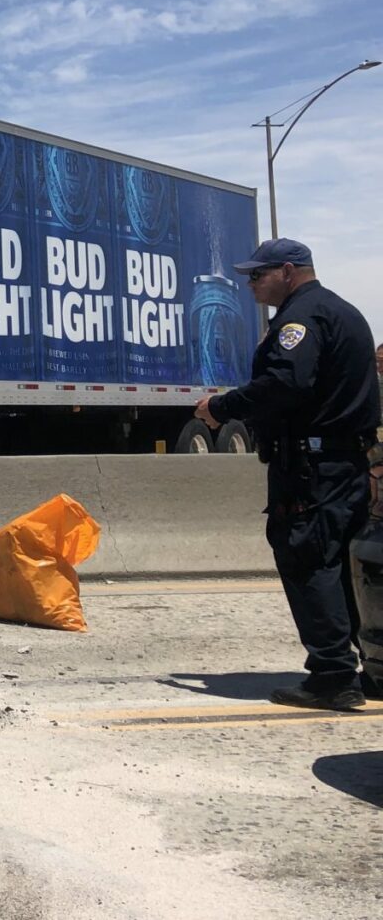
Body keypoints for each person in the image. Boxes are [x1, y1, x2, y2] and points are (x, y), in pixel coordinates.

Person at [195, 238, 379, 710]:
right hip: (345, 465)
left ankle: (332, 676)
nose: (251, 284)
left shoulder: (301, 319)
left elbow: (285, 383)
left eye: (258, 275)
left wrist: (222, 407)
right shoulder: (344, 312)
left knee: (308, 560)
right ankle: (375, 669)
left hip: (310, 469)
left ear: (288, 271)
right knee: (348, 570)